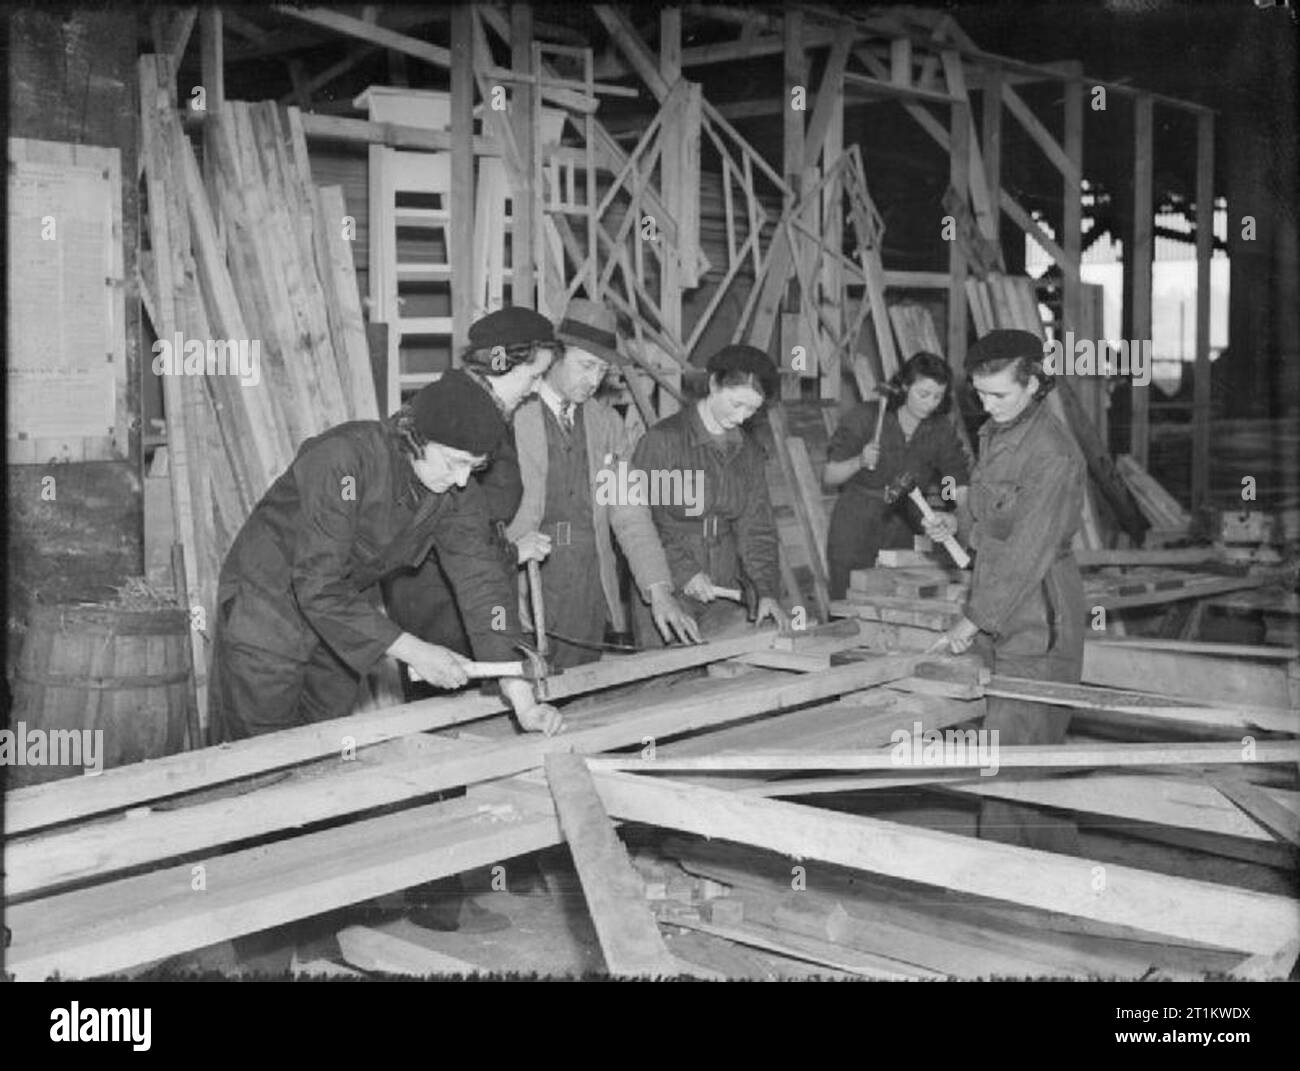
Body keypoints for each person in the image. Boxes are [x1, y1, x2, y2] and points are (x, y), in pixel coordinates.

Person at [209, 309, 563, 745]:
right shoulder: (344, 460)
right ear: (417, 440)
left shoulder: (455, 486)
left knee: (325, 747)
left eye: (474, 467)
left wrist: (521, 697)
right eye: (455, 464)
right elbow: (318, 583)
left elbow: (484, 585)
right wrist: (415, 651)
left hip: (342, 616)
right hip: (267, 607)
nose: (462, 480)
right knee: (259, 757)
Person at [923, 329, 1086, 853]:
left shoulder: (1051, 452)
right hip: (1001, 601)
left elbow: (1027, 553)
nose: (988, 407)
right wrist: (955, 524)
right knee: (1016, 754)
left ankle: (1007, 874)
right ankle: (1038, 870)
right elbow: (991, 520)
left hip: (1039, 614)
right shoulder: (1000, 432)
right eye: (980, 395)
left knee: (1018, 756)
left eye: (1000, 395)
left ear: (1034, 382)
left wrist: (973, 618)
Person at [505, 299, 701, 668]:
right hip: (521, 587)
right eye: (586, 366)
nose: (594, 380)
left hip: (587, 592)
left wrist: (659, 591)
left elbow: (629, 514)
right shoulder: (515, 415)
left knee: (581, 704)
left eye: (602, 370)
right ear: (554, 357)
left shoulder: (607, 424)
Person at [383, 308, 559, 693]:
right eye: (533, 376)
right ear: (499, 365)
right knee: (453, 714)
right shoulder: (449, 417)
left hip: (473, 580)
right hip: (440, 595)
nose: (535, 388)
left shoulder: (493, 412)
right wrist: (508, 554)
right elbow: (442, 527)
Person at [630, 344, 788, 642]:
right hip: (668, 588)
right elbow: (643, 523)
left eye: (753, 410)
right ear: (714, 384)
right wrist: (684, 572)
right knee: (665, 683)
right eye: (736, 404)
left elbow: (758, 528)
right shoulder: (663, 442)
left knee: (729, 677)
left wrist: (766, 591)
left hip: (724, 588)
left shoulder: (749, 452)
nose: (742, 417)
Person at [823, 352, 971, 599]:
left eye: (937, 397)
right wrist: (859, 461)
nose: (930, 403)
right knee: (847, 596)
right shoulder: (866, 418)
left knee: (896, 594)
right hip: (855, 519)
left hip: (902, 519)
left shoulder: (940, 430)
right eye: (923, 394)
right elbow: (830, 475)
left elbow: (953, 480)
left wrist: (953, 510)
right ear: (904, 386)